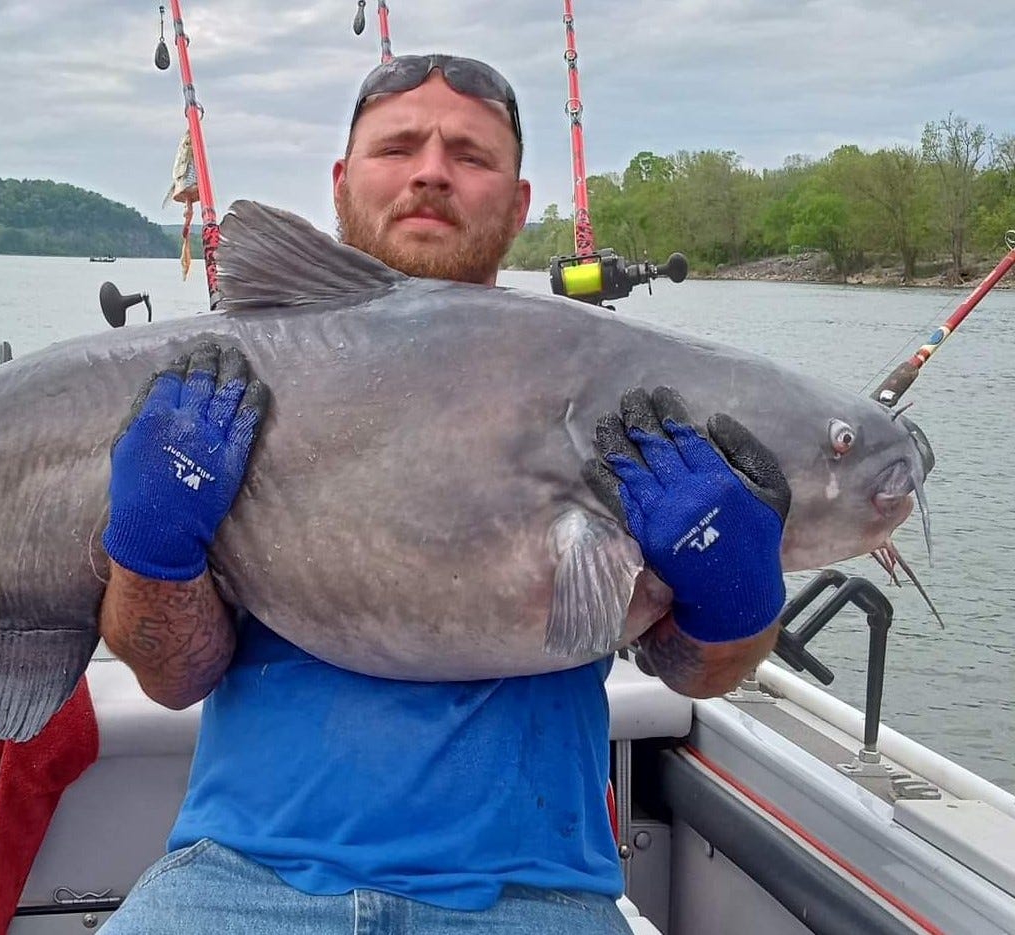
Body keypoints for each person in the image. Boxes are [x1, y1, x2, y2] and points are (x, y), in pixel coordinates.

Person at [95, 54, 788, 934]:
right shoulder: (221, 388)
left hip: (533, 897)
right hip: (238, 879)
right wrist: (154, 541)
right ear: (341, 183)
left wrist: (737, 594)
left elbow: (694, 670)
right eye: (399, 148)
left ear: (520, 201)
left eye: (470, 154)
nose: (431, 171)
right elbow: (172, 672)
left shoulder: (620, 402)